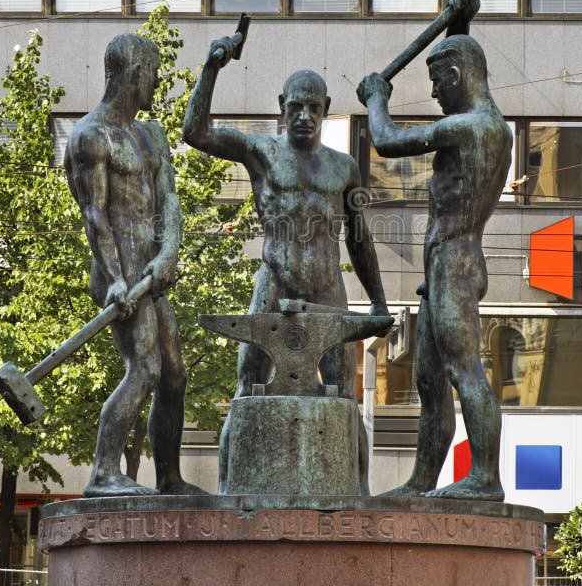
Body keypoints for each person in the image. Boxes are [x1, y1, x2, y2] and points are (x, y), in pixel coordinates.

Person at [183, 51, 389, 495]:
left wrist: (378, 302)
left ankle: (359, 494)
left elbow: (359, 238)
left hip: (327, 293)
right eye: (295, 106)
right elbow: (194, 132)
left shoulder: (344, 167)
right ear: (282, 105)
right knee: (247, 388)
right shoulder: (260, 151)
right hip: (273, 285)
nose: (304, 116)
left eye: (313, 107)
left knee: (344, 395)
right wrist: (211, 69)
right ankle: (229, 491)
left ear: (326, 108)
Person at [356, 0, 512, 500]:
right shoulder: (484, 123)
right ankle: (422, 480)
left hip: (455, 262)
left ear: (455, 78)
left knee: (464, 369)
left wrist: (378, 98)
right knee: (429, 382)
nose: (435, 94)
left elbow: (388, 142)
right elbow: (459, 61)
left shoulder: (472, 127)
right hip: (444, 266)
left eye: (436, 83)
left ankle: (484, 477)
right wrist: (460, 21)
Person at [64, 33, 202, 497]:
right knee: (143, 370)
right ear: (135, 72)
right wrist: (118, 280)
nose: (158, 80)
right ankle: (104, 471)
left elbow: (169, 201)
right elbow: (95, 214)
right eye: (155, 71)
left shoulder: (150, 135)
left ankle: (169, 477)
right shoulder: (89, 136)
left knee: (175, 375)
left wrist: (169, 252)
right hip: (119, 276)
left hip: (153, 272)